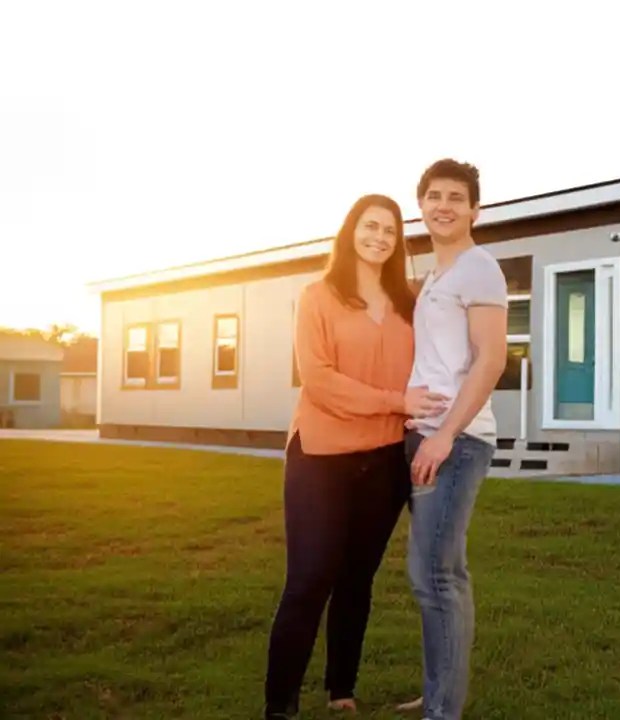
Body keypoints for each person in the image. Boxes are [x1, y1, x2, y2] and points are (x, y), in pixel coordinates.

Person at [263, 193, 446, 719]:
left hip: (385, 459)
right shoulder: (317, 296)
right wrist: (395, 402)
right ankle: (280, 705)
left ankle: (341, 688)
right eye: (370, 226)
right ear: (350, 231)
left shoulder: (411, 303)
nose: (379, 237)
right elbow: (318, 381)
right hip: (321, 454)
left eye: (390, 230)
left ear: (398, 242)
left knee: (357, 579)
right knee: (309, 578)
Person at [400, 159, 508, 720]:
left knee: (437, 575)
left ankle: (443, 709)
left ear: (474, 210)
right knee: (433, 574)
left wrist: (444, 435)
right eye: (434, 196)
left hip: (458, 441)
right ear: (421, 204)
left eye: (456, 198)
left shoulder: (478, 266)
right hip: (428, 434)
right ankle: (440, 691)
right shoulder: (437, 277)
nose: (443, 205)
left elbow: (492, 359)